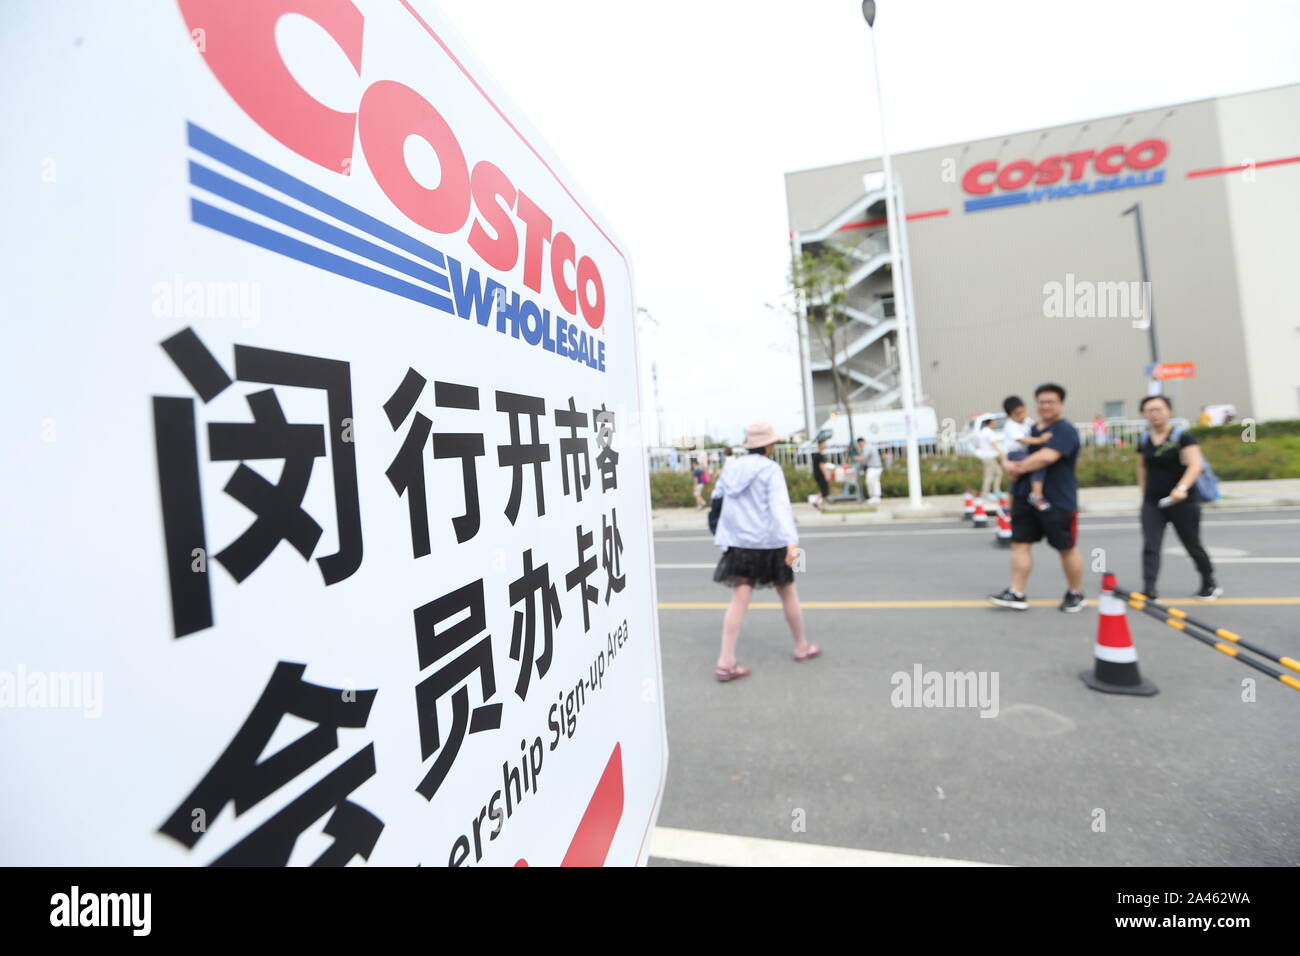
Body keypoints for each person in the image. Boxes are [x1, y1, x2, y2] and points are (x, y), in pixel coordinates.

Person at [710, 421, 821, 681]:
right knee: (788, 593)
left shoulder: (732, 468)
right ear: (768, 445)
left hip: (740, 544)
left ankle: (725, 661)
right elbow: (780, 507)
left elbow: (717, 498)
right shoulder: (771, 470)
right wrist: (792, 543)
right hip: (770, 543)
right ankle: (801, 645)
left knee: (739, 601)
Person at [989, 384, 1086, 612]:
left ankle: (1075, 592)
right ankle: (1017, 592)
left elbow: (1046, 457)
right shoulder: (1029, 429)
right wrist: (1009, 466)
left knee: (1066, 548)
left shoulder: (1065, 430)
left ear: (1061, 404)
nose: (1045, 406)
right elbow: (1010, 450)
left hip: (1058, 500)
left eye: (1051, 401)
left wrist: (1017, 467)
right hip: (1024, 497)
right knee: (1020, 544)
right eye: (1041, 402)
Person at [1137, 394, 1221, 600]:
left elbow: (1196, 464)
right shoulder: (1144, 439)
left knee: (1192, 544)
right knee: (1151, 545)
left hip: (1183, 501)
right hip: (1153, 502)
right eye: (1149, 410)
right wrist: (1144, 491)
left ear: (1168, 411)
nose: (1154, 414)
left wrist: (1181, 488)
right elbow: (1141, 466)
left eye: (1158, 409)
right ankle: (1149, 588)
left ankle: (1209, 582)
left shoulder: (1182, 436)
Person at [1001, 396, 1052, 511]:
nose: (1022, 416)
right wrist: (1041, 440)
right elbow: (1022, 439)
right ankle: (1036, 495)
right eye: (1017, 414)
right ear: (1010, 416)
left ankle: (1008, 506)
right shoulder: (1011, 425)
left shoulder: (1026, 420)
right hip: (1015, 454)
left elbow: (1034, 424)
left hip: (1023, 453)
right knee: (1039, 466)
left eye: (1023, 412)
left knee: (1016, 480)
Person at [973, 417, 1002, 502]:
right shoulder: (989, 432)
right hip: (989, 456)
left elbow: (976, 445)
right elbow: (993, 443)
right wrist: (1001, 453)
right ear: (990, 423)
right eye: (994, 422)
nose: (995, 424)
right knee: (996, 473)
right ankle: (991, 492)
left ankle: (990, 492)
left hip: (985, 456)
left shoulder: (982, 432)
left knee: (992, 473)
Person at [852, 436, 883, 503]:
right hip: (874, 467)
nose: (859, 445)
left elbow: (864, 457)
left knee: (871, 481)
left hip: (874, 468)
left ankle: (875, 497)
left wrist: (855, 458)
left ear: (862, 442)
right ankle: (875, 497)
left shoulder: (867, 447)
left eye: (859, 443)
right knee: (874, 482)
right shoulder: (867, 447)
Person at [810, 437, 832, 511]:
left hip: (818, 475)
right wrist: (826, 475)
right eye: (824, 444)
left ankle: (817, 502)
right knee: (824, 491)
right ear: (820, 444)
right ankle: (820, 505)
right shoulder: (819, 455)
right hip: (820, 475)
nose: (825, 445)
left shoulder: (817, 455)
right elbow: (822, 466)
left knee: (823, 490)